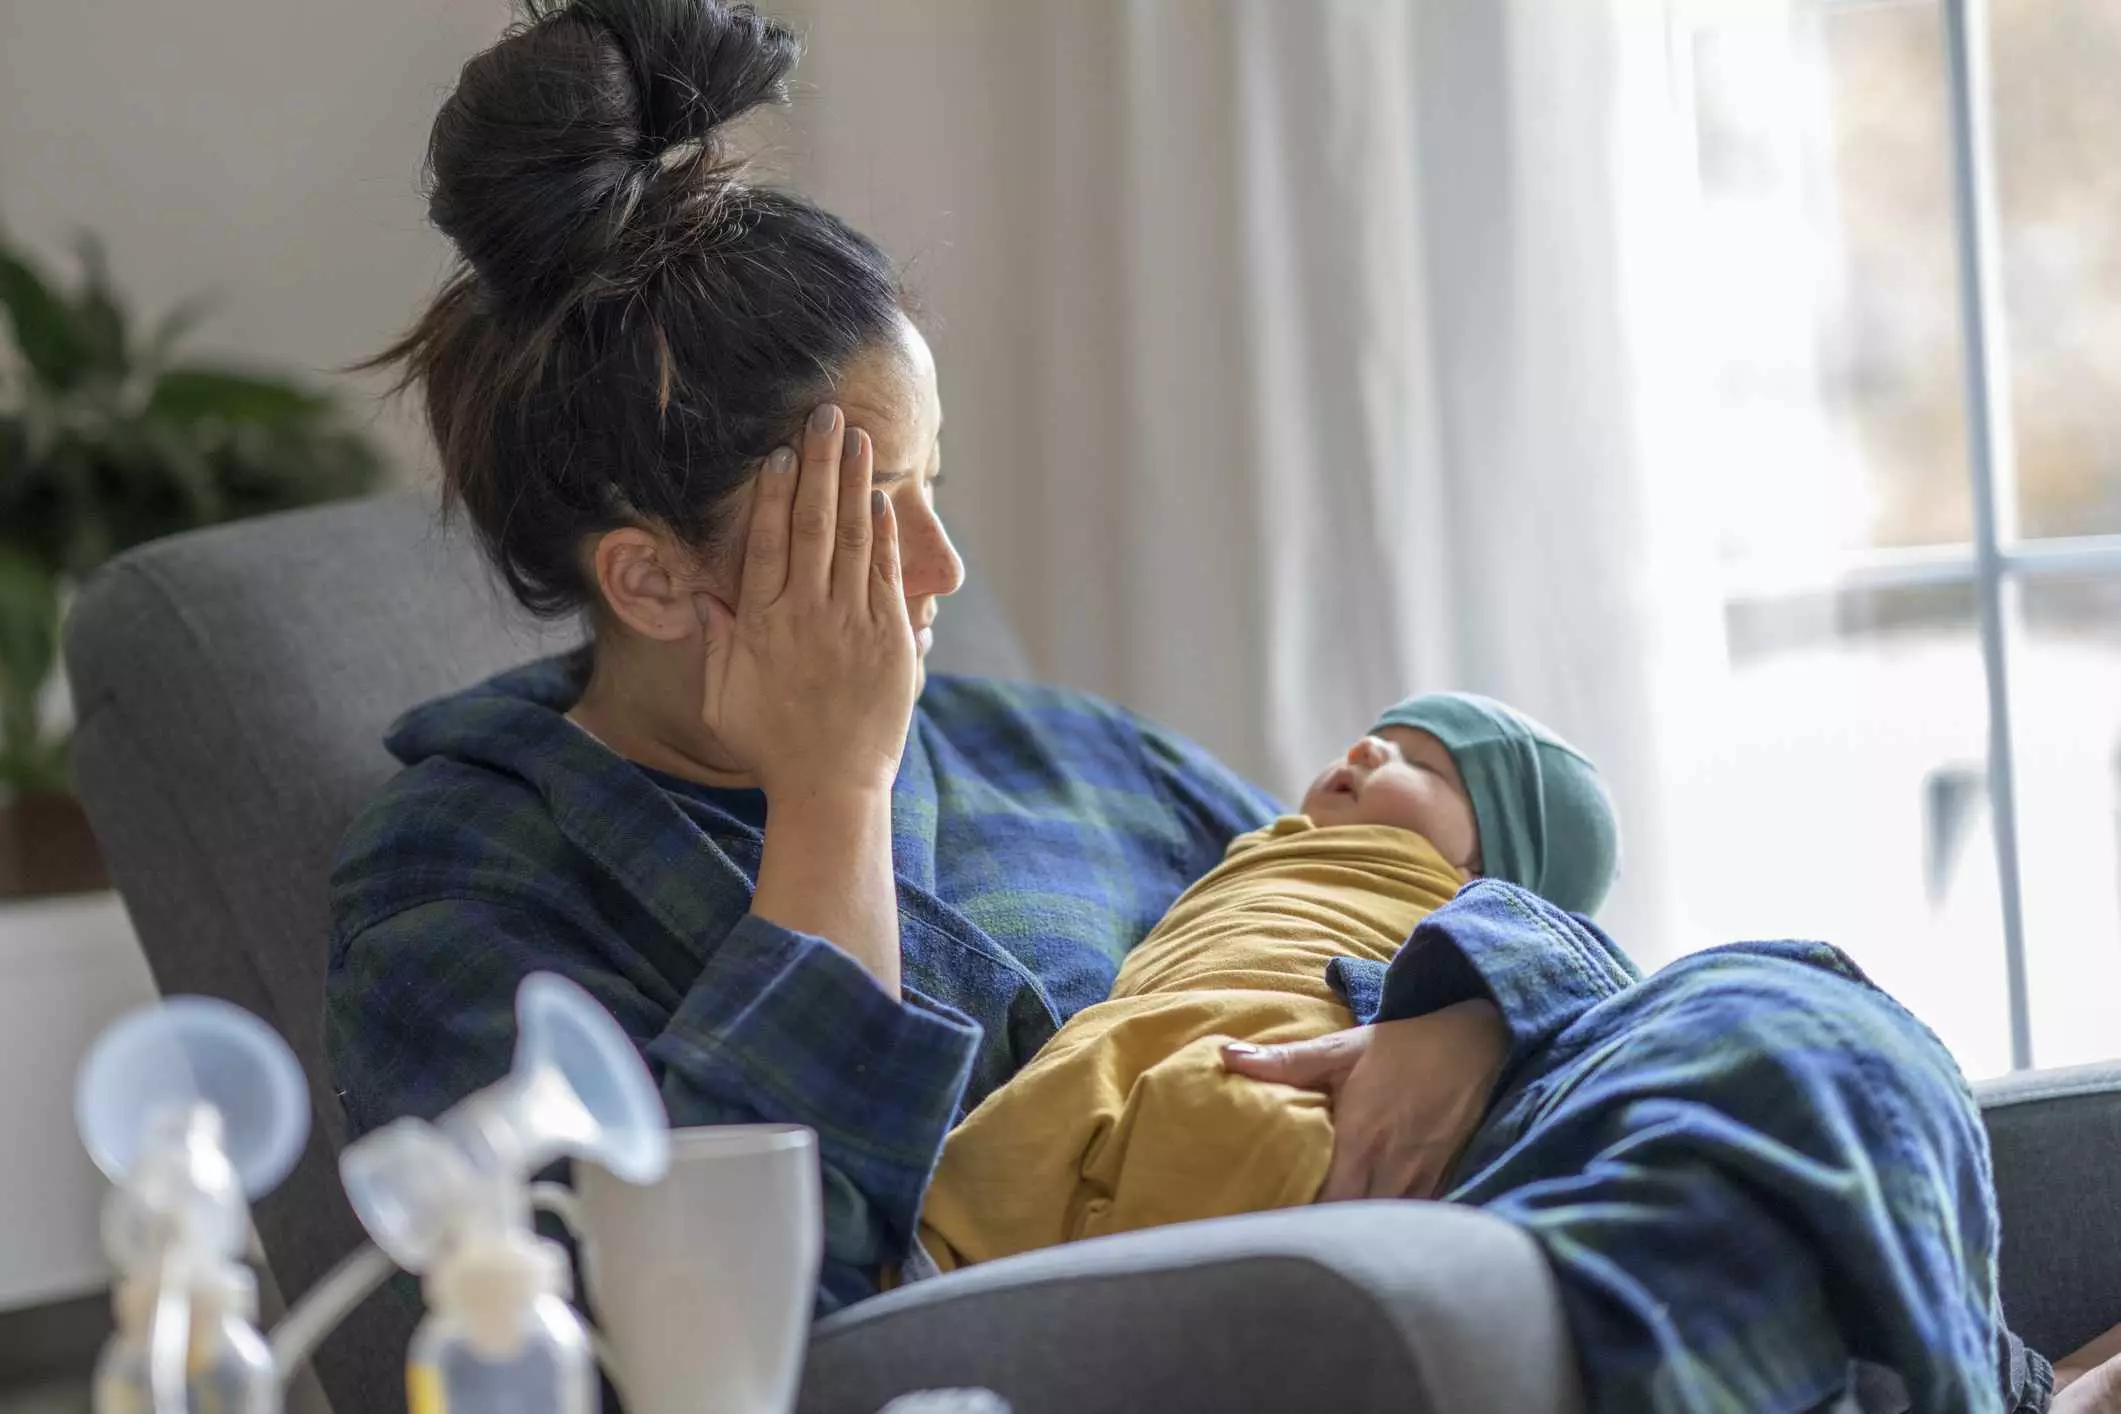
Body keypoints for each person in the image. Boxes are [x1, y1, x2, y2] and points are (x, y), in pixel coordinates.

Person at [323, 1, 2121, 1409]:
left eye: (940, 487)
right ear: (649, 577)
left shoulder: (1065, 753)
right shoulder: (458, 881)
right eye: (876, 521)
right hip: (1171, 1333)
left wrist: (1466, 1010)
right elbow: (699, 1346)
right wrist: (830, 803)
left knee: (1785, 1005)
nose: (943, 575)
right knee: (1720, 1162)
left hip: (1491, 1184)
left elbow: (1348, 890)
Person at [917, 693, 1617, 1271]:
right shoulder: (1262, 841)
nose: (1366, 750)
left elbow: (1564, 971)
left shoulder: (1465, 905)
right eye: (1375, 737)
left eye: (1425, 767)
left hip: (1275, 1046)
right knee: (991, 1165)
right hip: (1130, 1035)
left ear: (1485, 866)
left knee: (1235, 1126)